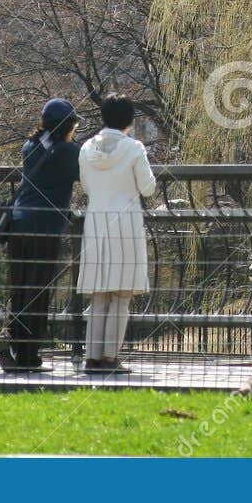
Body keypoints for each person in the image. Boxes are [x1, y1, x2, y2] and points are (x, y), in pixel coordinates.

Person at [75, 94, 158, 373]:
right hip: (126, 224)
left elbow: (86, 186)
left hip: (96, 221)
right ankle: (110, 358)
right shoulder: (134, 148)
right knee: (121, 295)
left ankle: (91, 357)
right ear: (130, 120)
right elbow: (147, 188)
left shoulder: (86, 148)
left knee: (99, 294)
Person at [0, 98, 81, 372]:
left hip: (18, 224)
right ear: (69, 125)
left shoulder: (29, 146)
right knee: (39, 291)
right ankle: (28, 356)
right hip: (45, 228)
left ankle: (11, 339)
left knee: (20, 287)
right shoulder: (69, 152)